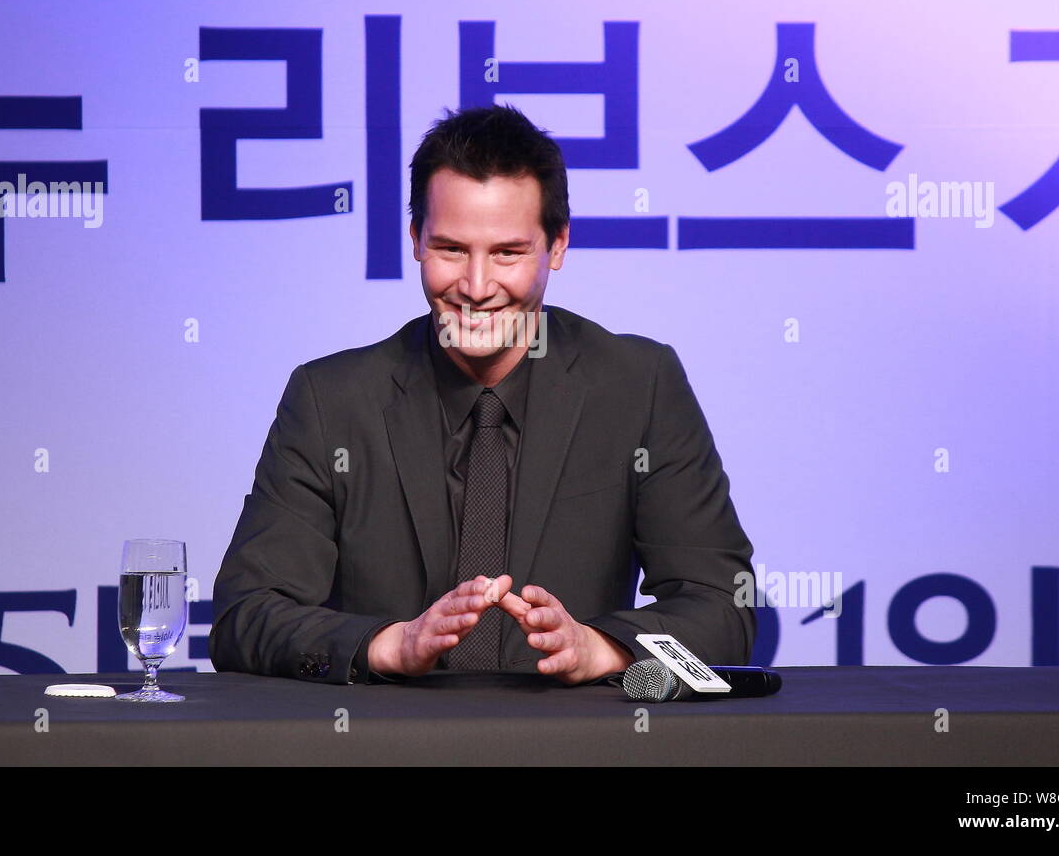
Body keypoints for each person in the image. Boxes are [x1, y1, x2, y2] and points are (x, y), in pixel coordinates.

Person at [210, 104, 755, 685]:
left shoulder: (639, 385)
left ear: (559, 246)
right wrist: (387, 646)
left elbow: (726, 605)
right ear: (415, 239)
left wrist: (600, 649)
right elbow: (244, 616)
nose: (475, 286)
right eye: (450, 249)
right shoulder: (329, 401)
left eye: (507, 253)